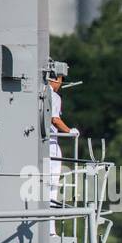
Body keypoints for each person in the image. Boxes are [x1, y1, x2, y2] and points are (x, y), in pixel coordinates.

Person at [45, 70, 78, 210]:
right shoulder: (53, 95)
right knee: (52, 186)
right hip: (50, 144)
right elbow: (55, 119)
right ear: (54, 79)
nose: (60, 83)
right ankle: (50, 230)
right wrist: (70, 131)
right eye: (60, 79)